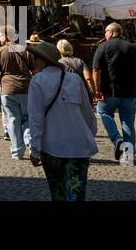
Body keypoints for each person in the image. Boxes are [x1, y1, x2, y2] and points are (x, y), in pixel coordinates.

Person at [26, 41, 97, 201]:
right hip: (78, 145)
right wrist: (90, 134)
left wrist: (35, 149)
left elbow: (36, 119)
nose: (33, 60)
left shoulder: (37, 81)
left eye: (36, 57)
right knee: (77, 194)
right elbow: (88, 113)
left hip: (52, 147)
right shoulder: (75, 79)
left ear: (43, 60)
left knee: (58, 194)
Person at [91, 22, 136, 165]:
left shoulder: (103, 46)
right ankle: (128, 156)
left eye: (105, 32)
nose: (104, 35)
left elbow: (96, 70)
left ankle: (117, 140)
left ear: (110, 32)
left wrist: (97, 90)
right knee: (128, 122)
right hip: (130, 91)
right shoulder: (133, 48)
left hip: (108, 91)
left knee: (103, 113)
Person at [0, 28, 32, 160]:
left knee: (12, 120)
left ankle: (17, 152)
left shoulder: (0, 51)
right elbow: (35, 69)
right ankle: (31, 144)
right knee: (27, 118)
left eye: (1, 36)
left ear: (6, 37)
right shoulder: (25, 50)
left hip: (8, 90)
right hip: (26, 88)